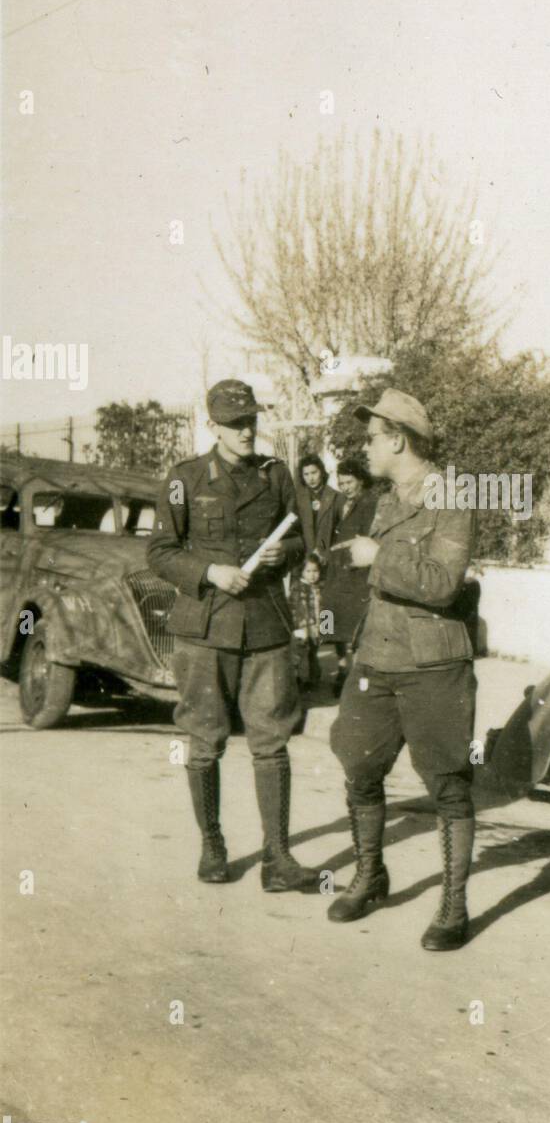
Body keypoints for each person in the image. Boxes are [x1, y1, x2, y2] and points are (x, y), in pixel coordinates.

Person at [147, 378, 318, 892]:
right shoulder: (186, 478)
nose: (246, 431)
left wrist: (281, 555)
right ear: (213, 425)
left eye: (251, 421)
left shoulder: (276, 474)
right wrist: (211, 573)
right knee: (205, 743)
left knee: (271, 742)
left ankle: (278, 858)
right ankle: (212, 844)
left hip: (265, 623)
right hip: (205, 627)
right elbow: (159, 551)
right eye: (234, 423)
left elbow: (301, 540)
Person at [328, 390, 477, 951]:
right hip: (377, 656)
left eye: (370, 437)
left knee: (446, 782)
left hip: (433, 661)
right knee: (358, 763)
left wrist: (378, 558)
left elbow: (442, 582)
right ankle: (371, 876)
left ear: (396, 438)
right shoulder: (388, 497)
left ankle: (453, 905)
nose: (363, 447)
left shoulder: (452, 494)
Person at [318, 456, 377, 697]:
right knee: (329, 618)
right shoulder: (340, 502)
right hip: (337, 572)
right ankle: (341, 666)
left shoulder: (370, 503)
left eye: (349, 482)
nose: (345, 487)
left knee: (354, 626)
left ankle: (356, 676)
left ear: (361, 480)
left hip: (357, 574)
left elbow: (369, 540)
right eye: (341, 483)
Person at [295, 454, 341, 570]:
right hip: (305, 561)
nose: (311, 478)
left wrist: (325, 552)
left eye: (314, 472)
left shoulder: (336, 497)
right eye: (306, 474)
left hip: (328, 559)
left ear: (321, 472)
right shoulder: (298, 499)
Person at [291, 555, 324, 691]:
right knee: (298, 653)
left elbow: (326, 608)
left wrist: (326, 630)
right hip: (302, 626)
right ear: (302, 572)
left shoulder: (321, 587)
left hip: (316, 627)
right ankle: (296, 678)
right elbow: (294, 607)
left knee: (313, 653)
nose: (312, 575)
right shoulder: (297, 587)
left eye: (315, 571)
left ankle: (313, 678)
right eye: (308, 571)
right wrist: (296, 626)